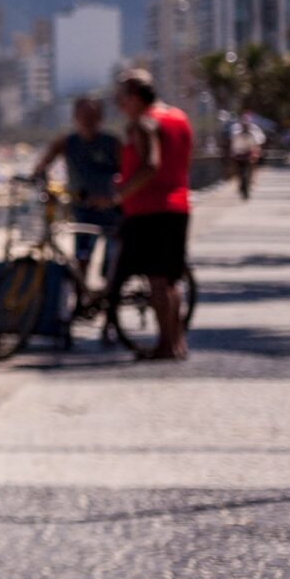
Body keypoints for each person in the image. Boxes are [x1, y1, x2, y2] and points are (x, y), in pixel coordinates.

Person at [111, 69, 193, 361]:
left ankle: (164, 346)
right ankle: (176, 342)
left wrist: (120, 193)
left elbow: (150, 165)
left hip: (150, 210)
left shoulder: (144, 124)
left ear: (134, 96)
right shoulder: (179, 118)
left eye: (120, 97)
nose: (118, 104)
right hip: (179, 205)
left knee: (157, 281)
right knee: (171, 280)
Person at [32, 95, 123, 297]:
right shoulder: (67, 142)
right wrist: (39, 180)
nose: (88, 120)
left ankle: (111, 301)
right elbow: (42, 165)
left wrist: (114, 197)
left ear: (100, 117)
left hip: (111, 211)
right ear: (75, 117)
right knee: (81, 256)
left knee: (112, 261)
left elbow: (128, 172)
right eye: (83, 115)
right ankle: (82, 300)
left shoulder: (112, 142)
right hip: (82, 209)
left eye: (92, 115)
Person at [229, 111, 265, 200]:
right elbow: (233, 144)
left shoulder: (254, 130)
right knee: (237, 169)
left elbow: (258, 142)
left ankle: (252, 181)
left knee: (252, 166)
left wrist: (255, 153)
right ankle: (239, 183)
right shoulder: (235, 130)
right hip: (239, 153)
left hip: (250, 152)